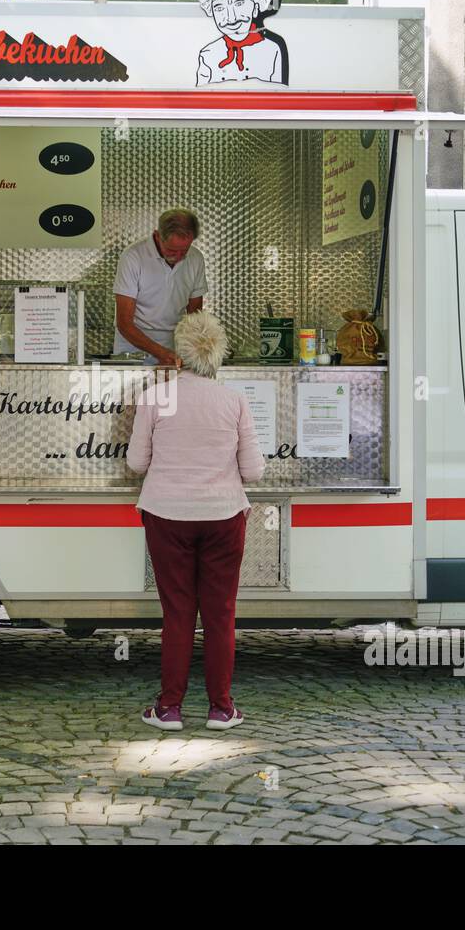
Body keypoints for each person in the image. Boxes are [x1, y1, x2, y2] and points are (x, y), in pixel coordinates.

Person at [126, 311, 265, 731]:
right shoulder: (234, 401)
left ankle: (169, 708)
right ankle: (221, 708)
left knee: (178, 612)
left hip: (167, 516)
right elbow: (254, 470)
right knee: (221, 612)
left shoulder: (156, 397)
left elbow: (136, 463)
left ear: (179, 356)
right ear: (218, 358)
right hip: (223, 515)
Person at [113, 208, 208, 366]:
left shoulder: (196, 258)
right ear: (158, 236)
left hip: (176, 344)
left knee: (174, 391)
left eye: (183, 251)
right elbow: (124, 323)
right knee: (134, 391)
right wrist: (161, 353)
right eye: (171, 250)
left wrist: (195, 351)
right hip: (132, 346)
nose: (178, 258)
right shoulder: (132, 257)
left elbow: (195, 317)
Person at [194, 0, 286, 85]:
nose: (231, 18)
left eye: (238, 4)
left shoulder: (272, 49)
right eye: (219, 8)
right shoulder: (207, 53)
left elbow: (277, 94)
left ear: (255, 9)